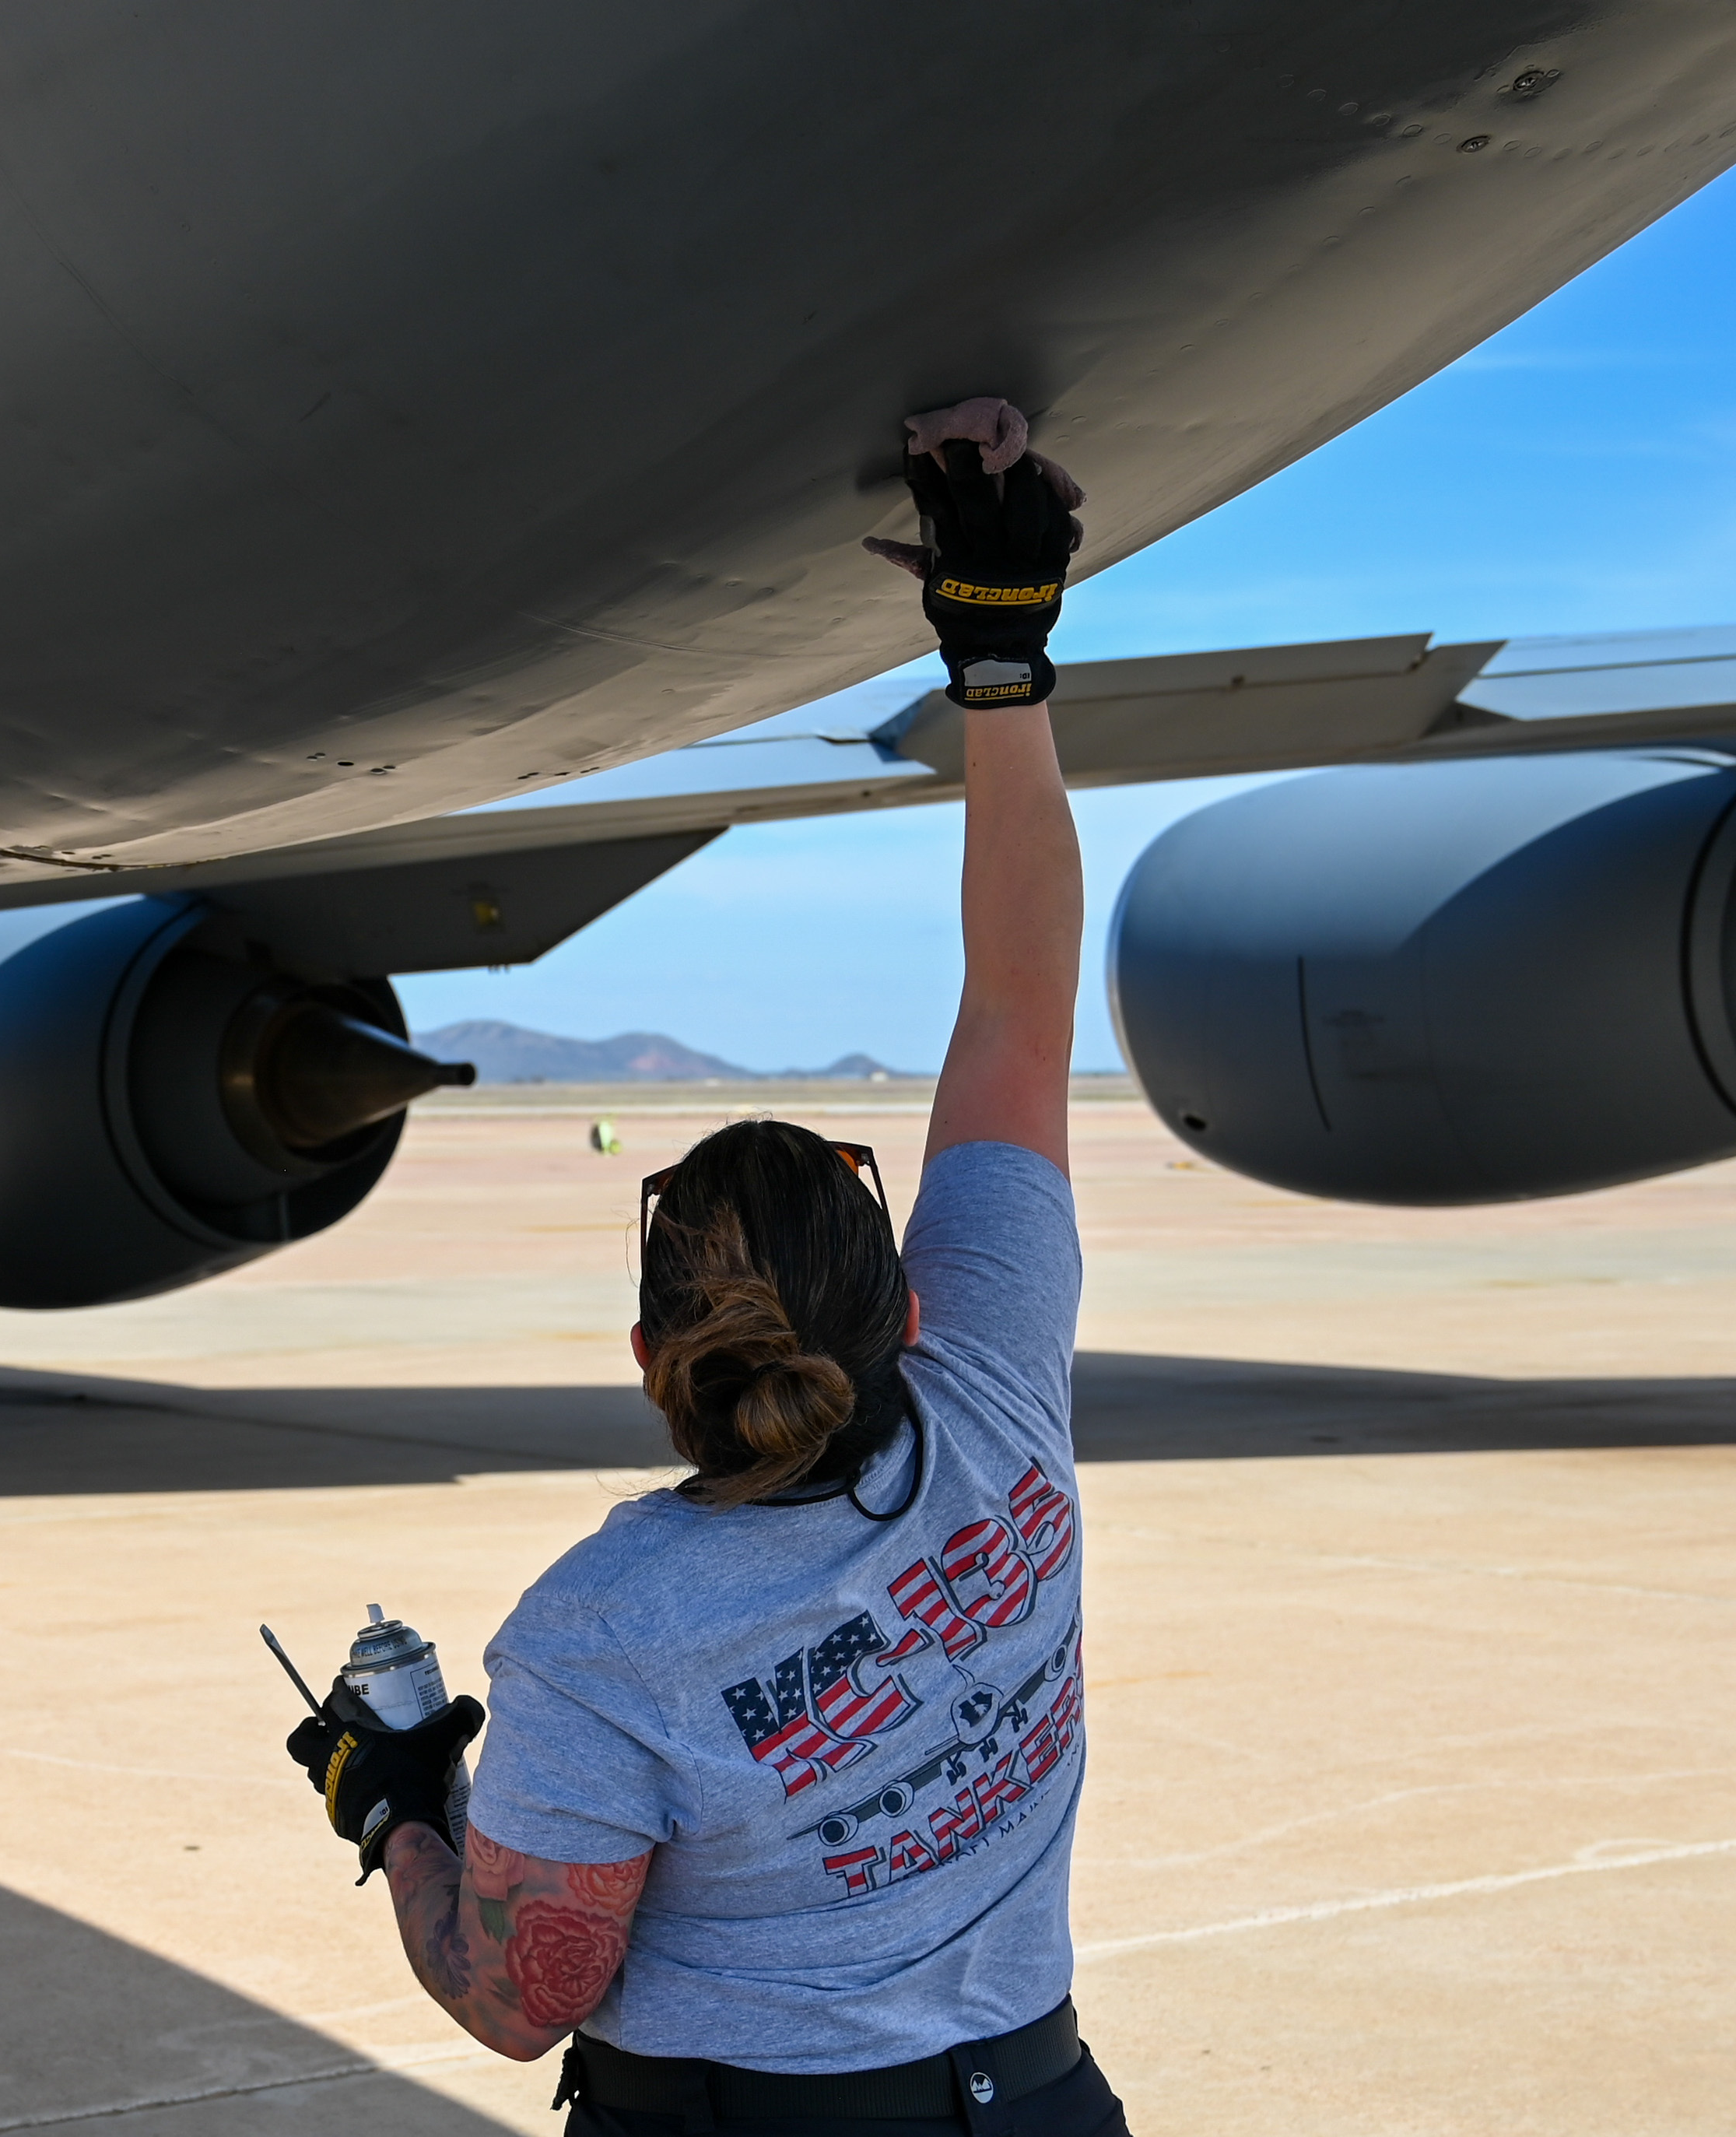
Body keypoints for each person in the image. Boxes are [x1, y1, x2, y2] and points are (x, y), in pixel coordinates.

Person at [289, 398, 1121, 2134]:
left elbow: (522, 1999)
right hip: (1035, 2099)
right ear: (906, 1304)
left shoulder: (610, 1630)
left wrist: (400, 1809)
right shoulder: (996, 1396)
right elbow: (1025, 996)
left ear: (653, 1361)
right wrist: (1003, 661)